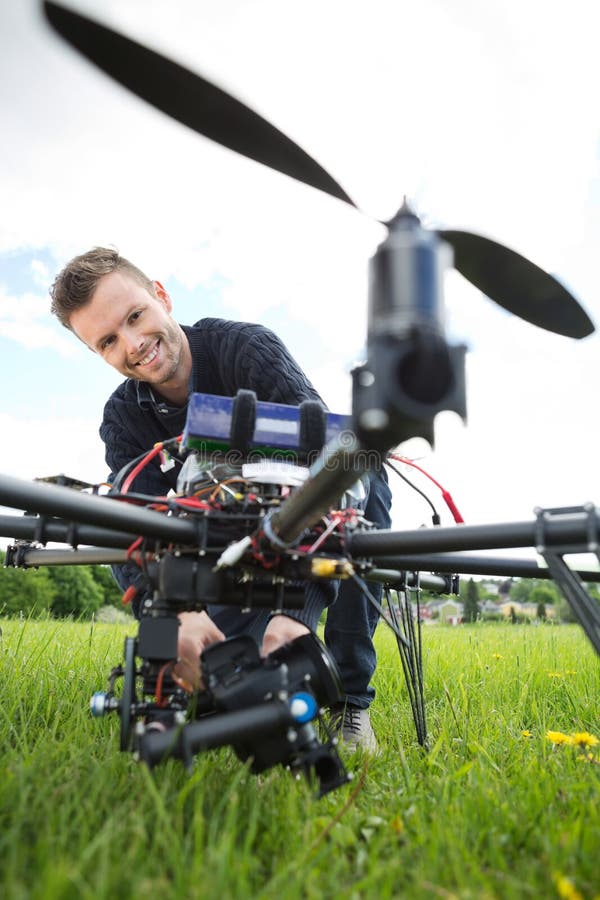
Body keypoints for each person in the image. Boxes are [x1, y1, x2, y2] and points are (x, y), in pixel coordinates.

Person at [49, 247, 391, 750]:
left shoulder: (246, 349)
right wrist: (174, 613)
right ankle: (196, 680)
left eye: (135, 316)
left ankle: (349, 702)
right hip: (220, 543)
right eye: (108, 341)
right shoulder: (122, 417)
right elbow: (129, 526)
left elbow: (329, 468)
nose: (133, 344)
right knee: (209, 686)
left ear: (161, 296)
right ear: (96, 353)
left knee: (368, 476)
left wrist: (295, 615)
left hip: (298, 523)